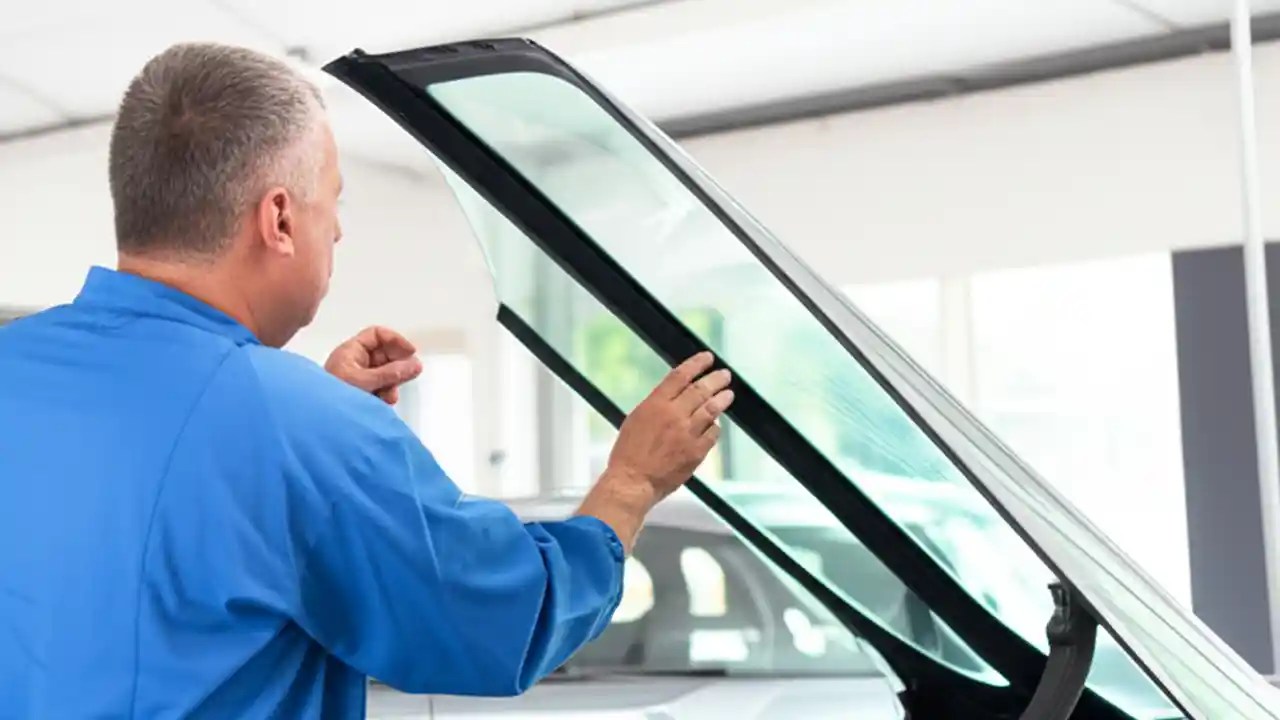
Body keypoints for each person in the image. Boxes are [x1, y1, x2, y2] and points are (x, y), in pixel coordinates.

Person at [0, 43, 734, 718]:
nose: (339, 229)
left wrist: (313, 429)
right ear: (279, 218)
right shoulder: (296, 427)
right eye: (334, 199)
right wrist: (632, 482)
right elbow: (499, 620)